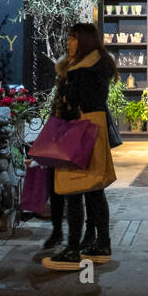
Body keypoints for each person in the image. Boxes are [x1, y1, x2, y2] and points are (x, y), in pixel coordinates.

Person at [42, 23, 118, 271]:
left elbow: (78, 100)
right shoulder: (87, 66)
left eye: (73, 39)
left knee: (74, 188)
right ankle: (100, 244)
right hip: (89, 128)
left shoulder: (86, 70)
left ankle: (73, 249)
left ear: (84, 41)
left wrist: (69, 88)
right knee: (92, 189)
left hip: (80, 129)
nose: (69, 43)